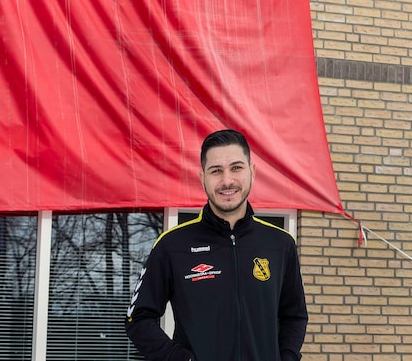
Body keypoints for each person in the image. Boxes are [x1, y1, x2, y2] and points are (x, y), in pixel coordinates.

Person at [126, 129, 308, 361]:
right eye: (216, 171)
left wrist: (288, 357)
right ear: (202, 177)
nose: (227, 181)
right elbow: (137, 319)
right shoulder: (172, 245)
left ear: (252, 172)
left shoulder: (280, 244)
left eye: (236, 168)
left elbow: (295, 316)